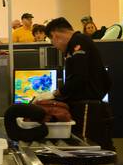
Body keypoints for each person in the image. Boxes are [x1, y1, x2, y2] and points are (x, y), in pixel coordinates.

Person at [46, 17, 113, 147]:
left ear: (55, 35)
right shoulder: (76, 44)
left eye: (52, 42)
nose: (55, 46)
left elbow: (79, 77)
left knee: (86, 147)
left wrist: (57, 93)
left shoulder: (79, 42)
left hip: (88, 107)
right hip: (89, 104)